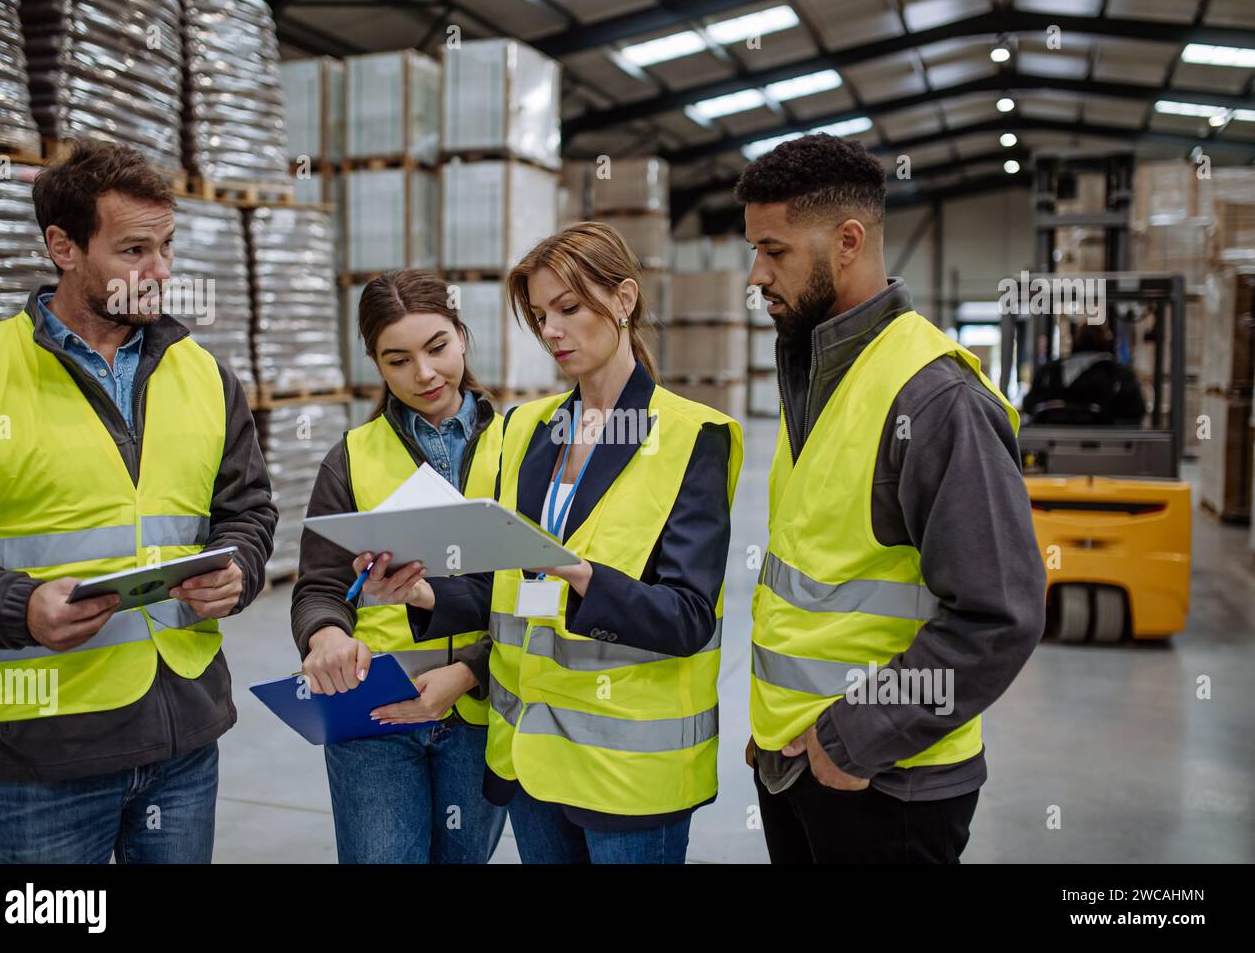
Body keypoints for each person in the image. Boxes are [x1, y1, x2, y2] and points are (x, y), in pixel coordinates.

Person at [368, 221, 743, 864]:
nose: (552, 331)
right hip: (529, 761)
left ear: (624, 300)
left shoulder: (692, 436)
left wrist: (574, 571)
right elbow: (499, 588)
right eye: (540, 315)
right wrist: (421, 589)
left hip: (628, 776)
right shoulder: (528, 429)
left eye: (569, 308)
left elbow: (686, 618)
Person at [0, 138, 276, 863]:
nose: (159, 272)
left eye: (166, 247)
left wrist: (239, 572)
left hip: (185, 742)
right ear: (62, 246)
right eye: (134, 251)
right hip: (47, 755)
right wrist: (21, 608)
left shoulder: (203, 375)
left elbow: (248, 511)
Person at [737, 132, 1047, 863]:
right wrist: (783, 729)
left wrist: (855, 734)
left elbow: (999, 616)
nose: (755, 274)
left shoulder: (937, 398)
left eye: (774, 250)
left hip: (888, 782)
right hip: (797, 761)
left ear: (848, 240)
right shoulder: (816, 372)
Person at [290, 269, 507, 864]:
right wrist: (327, 634)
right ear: (376, 365)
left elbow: (536, 593)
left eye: (437, 347)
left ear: (462, 334)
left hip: (481, 705)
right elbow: (318, 587)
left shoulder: (521, 444)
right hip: (374, 709)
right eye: (398, 360)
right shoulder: (351, 459)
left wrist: (467, 672)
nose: (425, 374)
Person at [1022, 321, 1146, 425]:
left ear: (1075, 341)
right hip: (1106, 444)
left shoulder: (1049, 372)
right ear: (1107, 342)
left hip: (1051, 441)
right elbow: (1135, 412)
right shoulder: (1120, 376)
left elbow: (1029, 405)